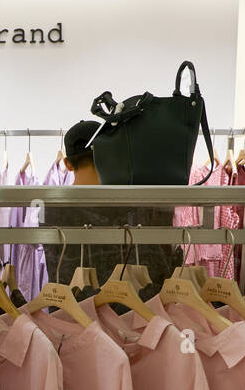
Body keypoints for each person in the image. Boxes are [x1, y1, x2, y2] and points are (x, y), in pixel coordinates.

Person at [38, 119, 182, 299]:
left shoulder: (50, 209)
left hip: (69, 311)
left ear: (67, 164)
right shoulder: (136, 205)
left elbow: (57, 270)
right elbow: (157, 268)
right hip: (130, 312)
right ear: (108, 155)